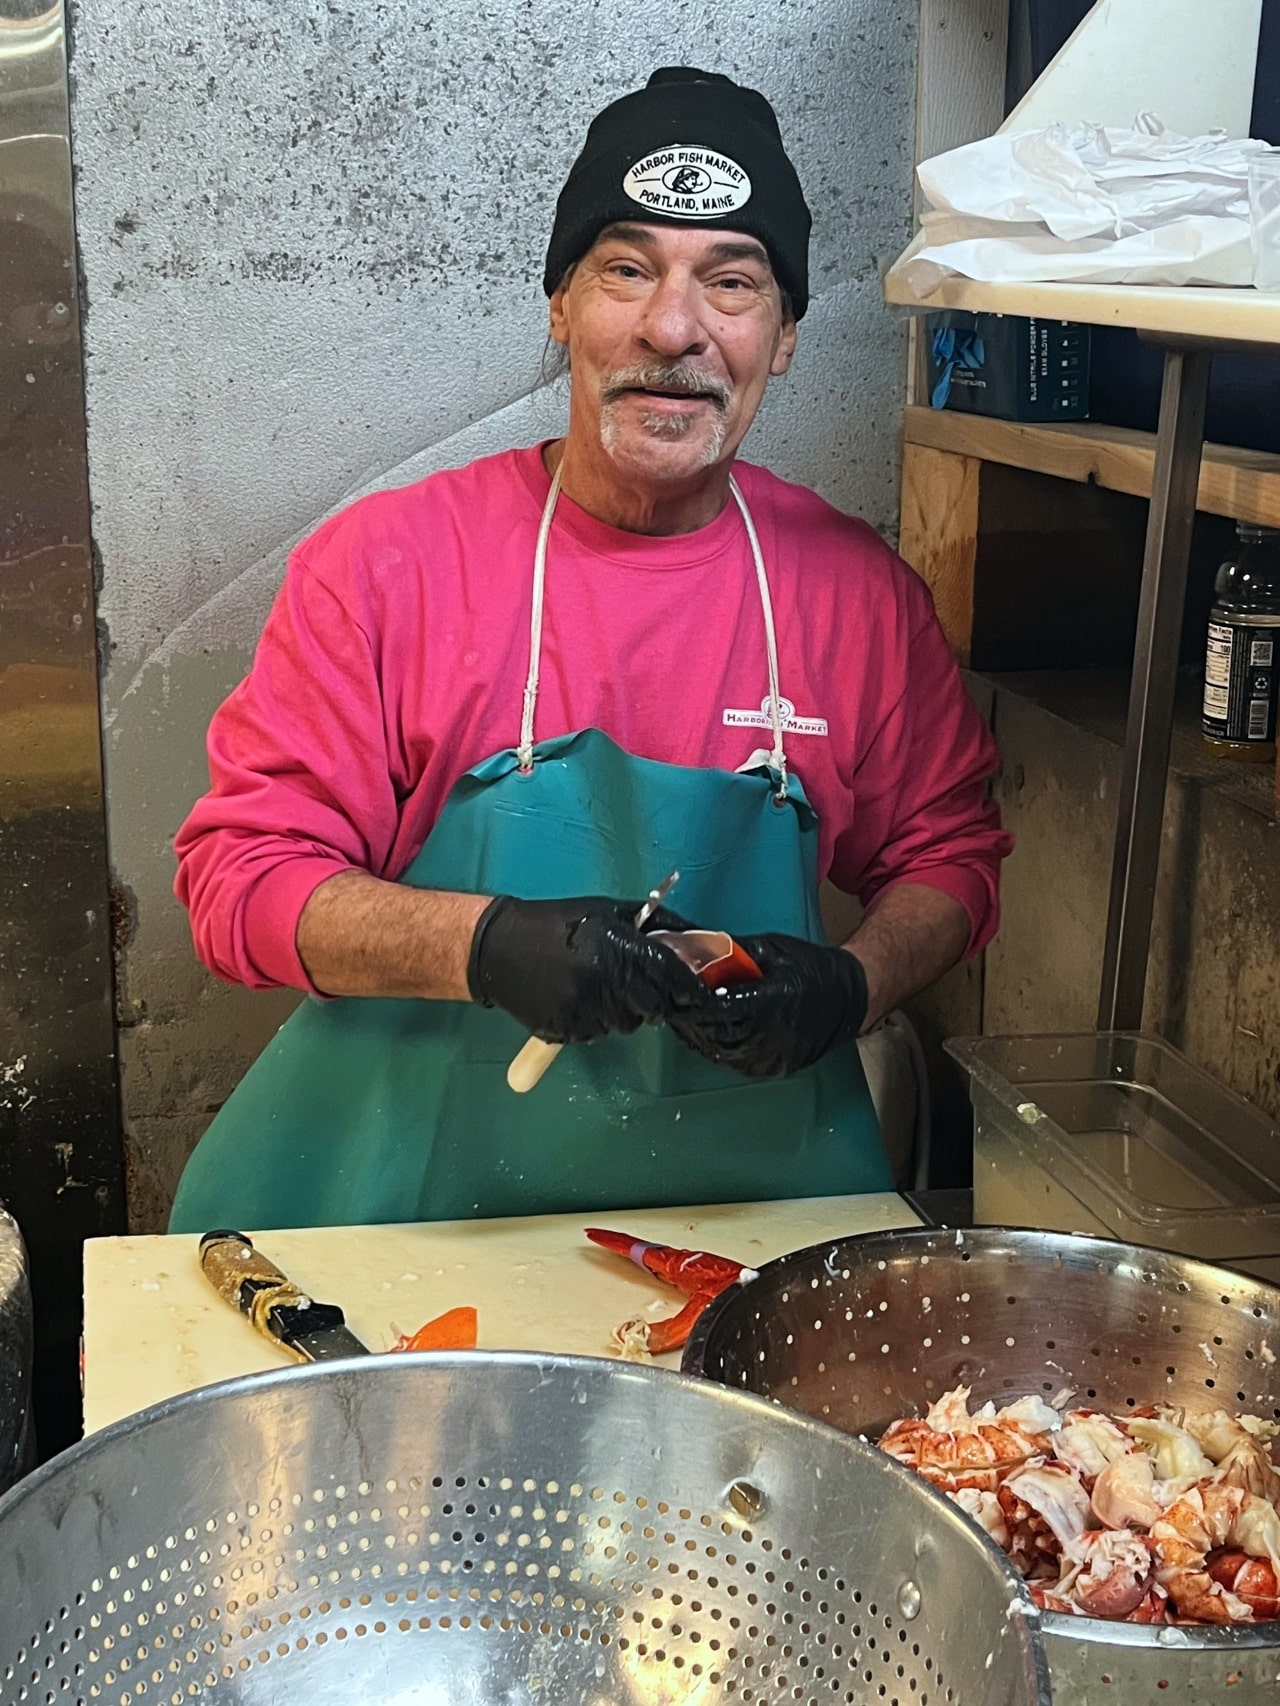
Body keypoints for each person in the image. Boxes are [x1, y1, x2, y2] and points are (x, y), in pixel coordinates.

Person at [168, 67, 1012, 1234]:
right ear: (560, 304)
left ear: (785, 336)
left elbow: (950, 855)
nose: (673, 328)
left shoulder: (852, 594)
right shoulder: (387, 566)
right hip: (415, 1222)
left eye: (730, 281)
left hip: (739, 1224)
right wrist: (480, 943)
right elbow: (238, 881)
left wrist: (848, 983)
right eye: (625, 270)